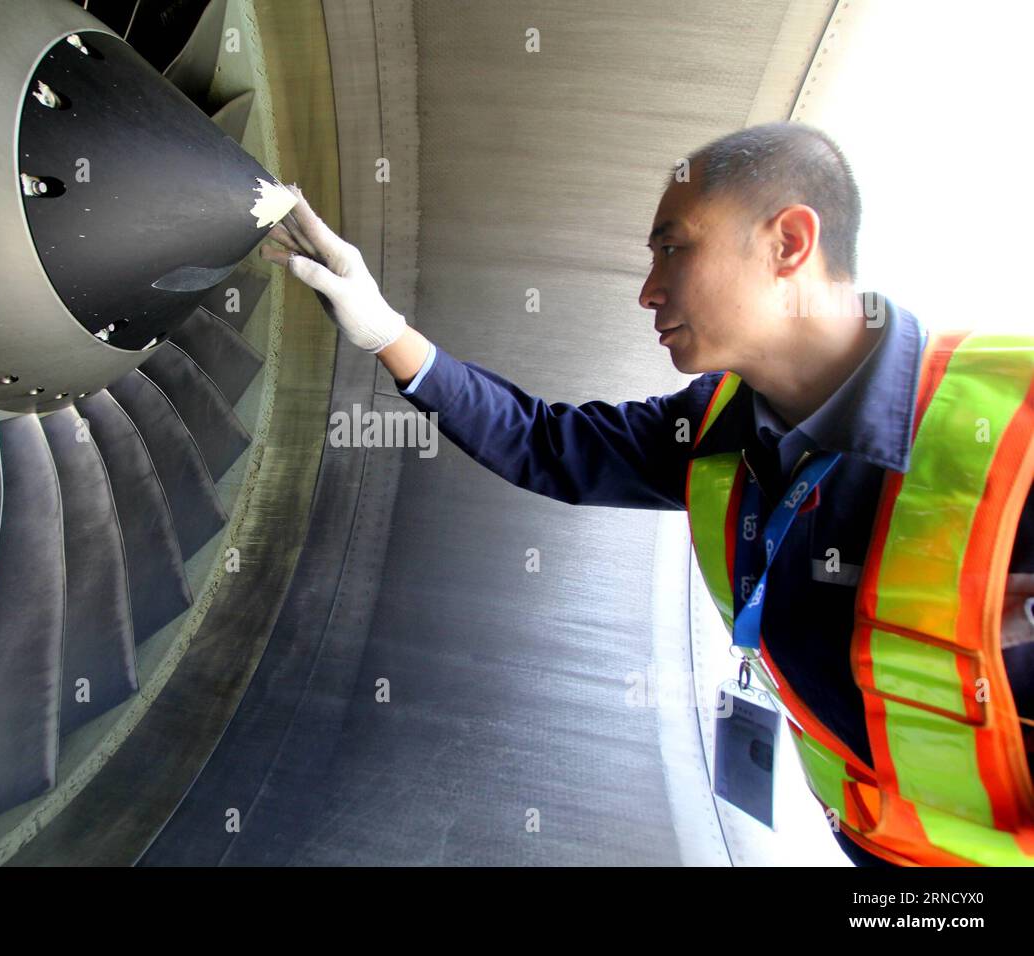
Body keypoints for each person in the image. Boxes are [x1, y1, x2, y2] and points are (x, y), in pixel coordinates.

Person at [260, 122, 1034, 867]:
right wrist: (385, 330)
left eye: (673, 247)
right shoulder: (714, 428)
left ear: (788, 243)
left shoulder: (1009, 418)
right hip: (882, 854)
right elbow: (546, 445)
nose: (647, 291)